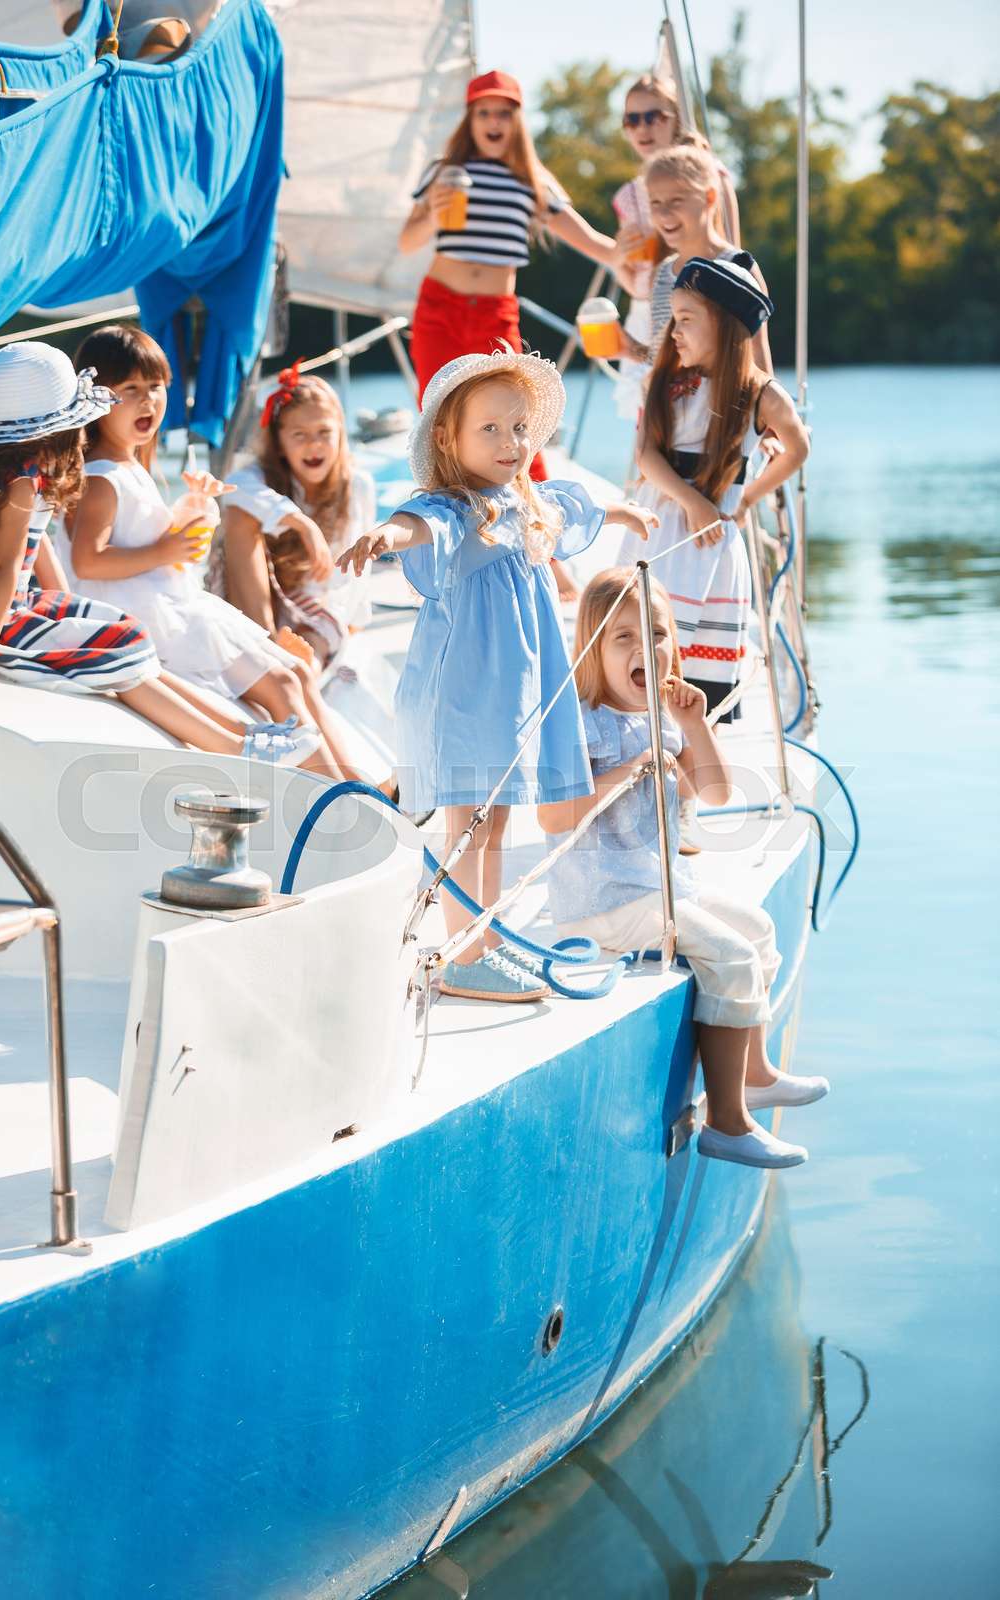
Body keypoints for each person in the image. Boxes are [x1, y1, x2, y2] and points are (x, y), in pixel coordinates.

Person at [337, 348, 658, 1003]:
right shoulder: (454, 509)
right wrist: (382, 537)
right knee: (469, 826)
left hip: (514, 696)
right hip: (467, 695)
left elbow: (576, 510)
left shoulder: (524, 504)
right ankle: (459, 955)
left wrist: (622, 514)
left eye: (517, 428)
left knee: (496, 823)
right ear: (449, 441)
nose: (510, 441)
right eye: (490, 429)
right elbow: (413, 523)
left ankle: (479, 940)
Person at [538, 569, 829, 1169]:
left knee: (758, 931)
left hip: (660, 888)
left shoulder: (666, 719)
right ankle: (727, 1121)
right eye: (623, 638)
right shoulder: (581, 721)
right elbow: (552, 818)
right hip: (607, 901)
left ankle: (754, 1072)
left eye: (658, 632)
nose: (645, 647)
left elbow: (716, 791)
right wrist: (628, 771)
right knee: (732, 956)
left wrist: (694, 727)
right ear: (594, 650)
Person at [0, 341, 313, 766]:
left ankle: (243, 731)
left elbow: (34, 551)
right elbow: (5, 569)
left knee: (121, 629)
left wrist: (68, 607)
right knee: (122, 645)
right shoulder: (22, 484)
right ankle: (234, 746)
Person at [62, 325, 353, 781]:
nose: (148, 402)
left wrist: (193, 508)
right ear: (99, 400)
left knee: (294, 672)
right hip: (151, 616)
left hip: (173, 602)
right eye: (129, 390)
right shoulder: (101, 479)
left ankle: (356, 784)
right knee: (281, 684)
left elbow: (145, 540)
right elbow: (88, 562)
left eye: (156, 387)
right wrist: (165, 548)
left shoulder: (129, 466)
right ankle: (341, 796)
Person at [399, 68, 628, 485]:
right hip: (439, 306)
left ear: (516, 121)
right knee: (437, 411)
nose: (493, 122)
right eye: (483, 112)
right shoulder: (442, 171)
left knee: (515, 413)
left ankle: (536, 519)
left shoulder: (534, 183)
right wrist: (434, 213)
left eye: (503, 114)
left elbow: (595, 244)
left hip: (494, 312)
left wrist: (638, 247)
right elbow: (407, 242)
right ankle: (445, 509)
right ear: (470, 119)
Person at [622, 256, 809, 727]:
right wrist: (693, 501)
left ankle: (692, 771)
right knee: (639, 650)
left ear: (726, 327)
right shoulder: (662, 382)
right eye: (673, 319)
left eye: (686, 319)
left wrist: (745, 497)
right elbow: (646, 457)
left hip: (711, 546)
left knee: (700, 674)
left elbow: (797, 448)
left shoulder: (761, 394)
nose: (674, 331)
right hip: (660, 528)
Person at [214, 363, 376, 666]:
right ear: (279, 443)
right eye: (299, 434)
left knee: (312, 639)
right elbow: (232, 488)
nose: (314, 444)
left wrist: (354, 619)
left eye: (324, 432)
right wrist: (302, 524)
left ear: (340, 433)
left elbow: (359, 573)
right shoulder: (261, 477)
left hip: (319, 609)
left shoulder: (357, 485)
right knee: (239, 515)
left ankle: (301, 669)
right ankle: (267, 649)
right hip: (263, 607)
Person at [610, 72, 740, 421]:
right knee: (651, 422)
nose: (642, 128)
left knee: (703, 417)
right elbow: (638, 285)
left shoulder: (711, 175)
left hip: (702, 309)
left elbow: (732, 255)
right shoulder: (630, 195)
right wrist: (619, 260)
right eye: (632, 119)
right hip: (648, 318)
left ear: (677, 119)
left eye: (654, 116)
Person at [642, 145, 771, 377]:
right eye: (655, 203)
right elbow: (659, 358)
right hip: (671, 410)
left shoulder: (738, 267)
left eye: (676, 200)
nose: (664, 214)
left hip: (723, 409)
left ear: (709, 198)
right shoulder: (660, 274)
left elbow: (758, 357)